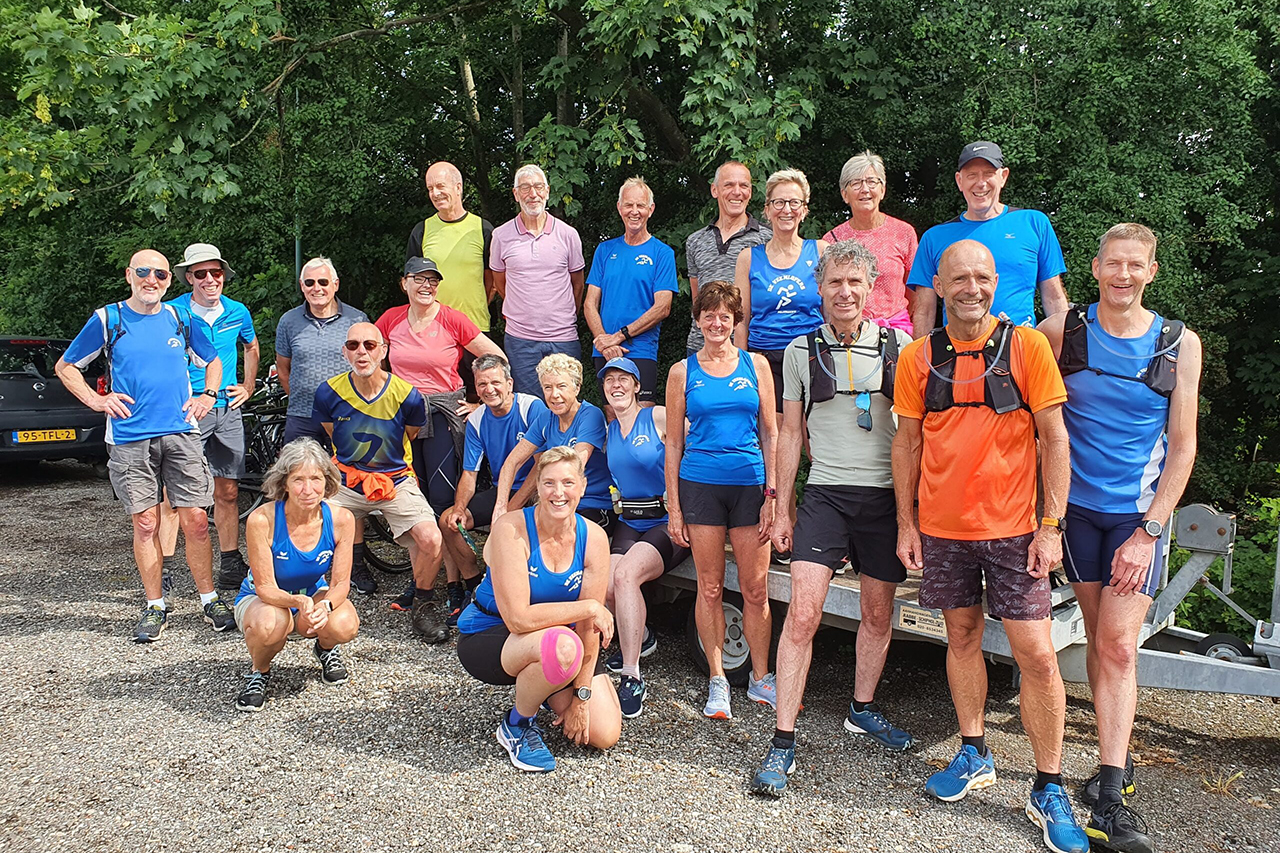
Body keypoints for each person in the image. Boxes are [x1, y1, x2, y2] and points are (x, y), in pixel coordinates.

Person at [891, 240, 1088, 853]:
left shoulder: (1026, 346)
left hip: (1014, 530)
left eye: (981, 276)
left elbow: (1055, 439)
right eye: (958, 278)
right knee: (961, 639)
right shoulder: (918, 358)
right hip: (945, 531)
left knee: (1036, 655)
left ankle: (1048, 783)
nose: (971, 287)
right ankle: (974, 750)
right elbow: (906, 445)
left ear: (996, 281)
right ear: (939, 286)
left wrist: (1050, 525)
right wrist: (907, 523)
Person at [1039, 223, 1202, 853]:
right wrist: (1045, 516)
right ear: (1096, 266)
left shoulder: (1178, 345)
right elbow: (1038, 423)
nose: (1123, 275)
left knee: (1118, 648)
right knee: (1098, 639)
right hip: (1076, 515)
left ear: (1152, 271)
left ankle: (1110, 792)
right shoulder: (1064, 332)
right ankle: (1114, 765)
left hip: (1137, 521)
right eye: (1114, 264)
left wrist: (1150, 531)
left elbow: (1184, 448)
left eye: (1136, 266)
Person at [750, 240, 915, 797]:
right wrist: (781, 503)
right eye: (835, 283)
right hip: (825, 495)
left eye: (855, 284)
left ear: (871, 290)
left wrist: (913, 515)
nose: (844, 293)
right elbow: (790, 431)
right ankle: (782, 739)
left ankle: (861, 708)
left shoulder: (900, 346)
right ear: (819, 289)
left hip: (884, 499)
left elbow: (916, 435)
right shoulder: (801, 350)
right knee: (803, 615)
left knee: (876, 613)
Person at [55, 249, 234, 642]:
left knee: (196, 522)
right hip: (129, 437)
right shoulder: (109, 319)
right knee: (146, 522)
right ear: (129, 275)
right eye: (143, 272)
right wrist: (97, 401)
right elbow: (66, 366)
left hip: (181, 432)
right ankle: (155, 605)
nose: (151, 279)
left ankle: (209, 599)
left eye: (160, 274)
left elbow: (213, 359)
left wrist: (208, 394)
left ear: (170, 280)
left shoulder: (179, 317)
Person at [456, 447, 621, 773]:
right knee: (561, 645)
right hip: (492, 633)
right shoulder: (511, 529)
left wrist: (582, 696)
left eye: (568, 483)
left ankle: (545, 684)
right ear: (537, 487)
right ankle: (517, 724)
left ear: (583, 486)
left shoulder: (594, 538)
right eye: (549, 483)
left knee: (604, 733)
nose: (558, 493)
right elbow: (518, 618)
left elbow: (587, 627)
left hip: (558, 642)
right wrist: (588, 607)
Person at [665, 280, 779, 720]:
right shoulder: (682, 371)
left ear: (735, 322)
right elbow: (673, 443)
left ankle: (760, 677)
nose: (717, 323)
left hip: (750, 485)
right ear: (698, 321)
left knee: (755, 587)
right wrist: (674, 505)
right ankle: (717, 680)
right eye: (708, 315)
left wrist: (773, 494)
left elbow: (770, 432)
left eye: (725, 316)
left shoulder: (756, 365)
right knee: (709, 586)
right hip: (701, 486)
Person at [374, 256, 505, 608]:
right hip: (403, 419)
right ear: (405, 283)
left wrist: (481, 401)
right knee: (410, 503)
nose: (426, 286)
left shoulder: (451, 318)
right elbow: (370, 358)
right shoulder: (391, 319)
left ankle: (459, 583)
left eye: (432, 280)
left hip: (445, 415)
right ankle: (425, 581)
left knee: (443, 505)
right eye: (419, 279)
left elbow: (494, 357)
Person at [311, 323, 449, 643]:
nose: (362, 351)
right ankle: (305, 600)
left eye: (370, 345)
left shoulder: (408, 395)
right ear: (344, 352)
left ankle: (423, 603)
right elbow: (334, 435)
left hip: (395, 479)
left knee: (431, 538)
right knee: (305, 527)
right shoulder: (328, 391)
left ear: (383, 351)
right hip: (345, 479)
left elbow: (409, 436)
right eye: (354, 345)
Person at [159, 243, 259, 591]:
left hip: (227, 407)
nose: (209, 279)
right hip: (187, 410)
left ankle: (230, 562)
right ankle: (165, 568)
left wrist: (248, 384)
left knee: (228, 489)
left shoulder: (237, 311)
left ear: (223, 275)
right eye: (200, 273)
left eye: (215, 272)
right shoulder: (172, 312)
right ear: (189, 278)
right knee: (174, 493)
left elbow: (251, 345)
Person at [233, 439, 359, 712]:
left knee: (345, 623)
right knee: (271, 623)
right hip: (262, 598)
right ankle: (259, 671)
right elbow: (265, 588)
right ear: (284, 483)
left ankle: (326, 649)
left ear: (327, 482)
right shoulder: (262, 520)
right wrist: (299, 603)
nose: (308, 489)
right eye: (298, 479)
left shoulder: (342, 519)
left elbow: (340, 584)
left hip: (313, 594)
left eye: (315, 478)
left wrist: (324, 605)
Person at [598, 356, 690, 718]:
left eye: (624, 379)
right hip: (631, 520)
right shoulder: (609, 430)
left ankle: (632, 675)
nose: (616, 385)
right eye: (609, 381)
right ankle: (645, 635)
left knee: (625, 576)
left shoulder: (656, 417)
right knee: (605, 586)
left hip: (669, 520)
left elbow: (698, 441)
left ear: (638, 386)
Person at [907, 141, 1068, 333]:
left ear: (1003, 177)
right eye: (971, 175)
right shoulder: (934, 238)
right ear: (959, 181)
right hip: (958, 353)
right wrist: (919, 359)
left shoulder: (1033, 223)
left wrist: (1067, 352)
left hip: (1020, 349)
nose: (980, 183)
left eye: (988, 174)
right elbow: (924, 311)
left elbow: (1054, 297)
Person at [440, 354, 549, 624]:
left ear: (510, 383)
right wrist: (460, 508)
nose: (489, 389)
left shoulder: (531, 408)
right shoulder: (477, 419)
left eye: (495, 382)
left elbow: (540, 467)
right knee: (448, 522)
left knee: (508, 529)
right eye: (482, 384)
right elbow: (469, 473)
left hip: (535, 492)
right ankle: (475, 586)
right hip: (502, 491)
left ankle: (516, 597)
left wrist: (511, 507)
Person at [734, 168, 828, 416]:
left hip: (812, 354)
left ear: (804, 210)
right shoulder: (748, 258)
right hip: (765, 358)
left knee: (813, 432)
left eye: (794, 202)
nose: (787, 209)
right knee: (774, 435)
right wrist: (742, 366)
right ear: (767, 209)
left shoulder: (820, 251)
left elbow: (832, 311)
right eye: (779, 202)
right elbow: (741, 321)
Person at [488, 164, 586, 400]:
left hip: (563, 336)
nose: (533, 194)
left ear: (548, 190)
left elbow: (578, 284)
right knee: (527, 405)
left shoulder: (568, 234)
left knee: (566, 402)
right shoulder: (500, 236)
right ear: (515, 194)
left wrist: (562, 316)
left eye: (538, 187)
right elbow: (500, 282)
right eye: (525, 188)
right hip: (520, 339)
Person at [584, 177, 677, 411]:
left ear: (651, 209)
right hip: (605, 350)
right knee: (613, 419)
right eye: (628, 205)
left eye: (641, 205)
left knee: (642, 422)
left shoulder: (662, 253)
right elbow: (589, 304)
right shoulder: (605, 250)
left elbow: (662, 307)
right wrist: (605, 343)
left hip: (641, 349)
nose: (634, 211)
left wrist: (618, 337)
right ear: (619, 207)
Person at [405, 161, 496, 397]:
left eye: (440, 186)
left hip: (475, 329)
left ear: (458, 187)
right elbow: (412, 281)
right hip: (432, 332)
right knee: (439, 399)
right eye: (429, 188)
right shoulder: (422, 230)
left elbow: (492, 279)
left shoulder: (483, 229)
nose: (434, 193)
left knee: (480, 399)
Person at [492, 354, 612, 529]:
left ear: (577, 388)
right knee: (511, 528)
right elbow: (512, 462)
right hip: (557, 501)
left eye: (561, 386)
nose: (554, 395)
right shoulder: (545, 418)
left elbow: (575, 466)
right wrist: (501, 507)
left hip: (594, 504)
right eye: (547, 387)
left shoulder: (590, 415)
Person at [821, 151, 919, 336]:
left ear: (882, 190)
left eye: (872, 182)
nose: (865, 189)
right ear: (845, 194)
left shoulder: (904, 232)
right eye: (856, 183)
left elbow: (914, 288)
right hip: (848, 334)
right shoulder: (831, 240)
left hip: (896, 332)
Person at [275, 257, 369, 446]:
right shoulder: (288, 321)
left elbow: (369, 366)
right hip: (302, 416)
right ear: (302, 286)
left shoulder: (357, 319)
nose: (316, 288)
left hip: (347, 414)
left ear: (336, 284)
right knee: (298, 472)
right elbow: (283, 369)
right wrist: (302, 398)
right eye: (310, 282)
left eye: (323, 282)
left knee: (348, 473)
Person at [684, 161, 771, 357]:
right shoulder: (695, 241)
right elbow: (697, 299)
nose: (737, 192)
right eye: (729, 185)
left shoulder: (767, 239)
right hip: (701, 346)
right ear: (714, 190)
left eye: (744, 185)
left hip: (749, 347)